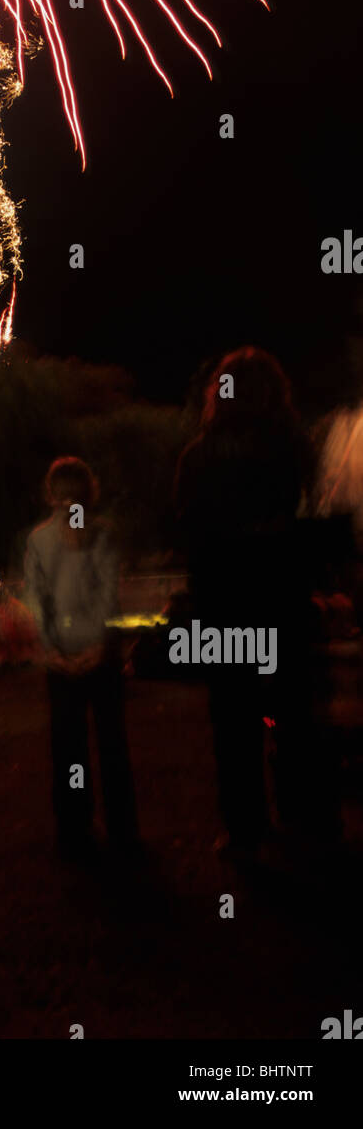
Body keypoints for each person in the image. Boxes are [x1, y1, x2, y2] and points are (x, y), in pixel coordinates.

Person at [175, 346, 338, 859]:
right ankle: (306, 816)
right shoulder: (295, 448)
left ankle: (244, 827)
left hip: (226, 603)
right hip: (282, 599)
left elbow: (189, 535)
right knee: (294, 714)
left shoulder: (199, 456)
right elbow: (318, 523)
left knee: (233, 721)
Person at [25, 457, 138, 859]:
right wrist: (99, 646)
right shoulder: (104, 535)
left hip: (61, 655)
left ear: (50, 493)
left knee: (69, 746)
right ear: (92, 490)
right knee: (112, 744)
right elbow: (109, 596)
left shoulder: (39, 540)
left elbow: (37, 601)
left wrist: (52, 649)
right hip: (101, 654)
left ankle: (75, 825)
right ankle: (123, 826)